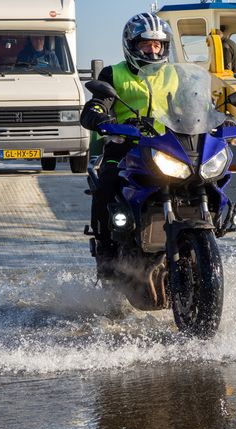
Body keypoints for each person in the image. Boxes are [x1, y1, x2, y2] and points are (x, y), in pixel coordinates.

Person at [80, 12, 173, 256]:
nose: (152, 51)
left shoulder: (174, 76)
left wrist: (219, 117)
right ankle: (106, 249)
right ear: (132, 45)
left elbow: (195, 105)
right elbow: (99, 103)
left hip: (169, 147)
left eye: (157, 45)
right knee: (107, 181)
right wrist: (99, 116)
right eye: (145, 44)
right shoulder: (114, 74)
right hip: (125, 146)